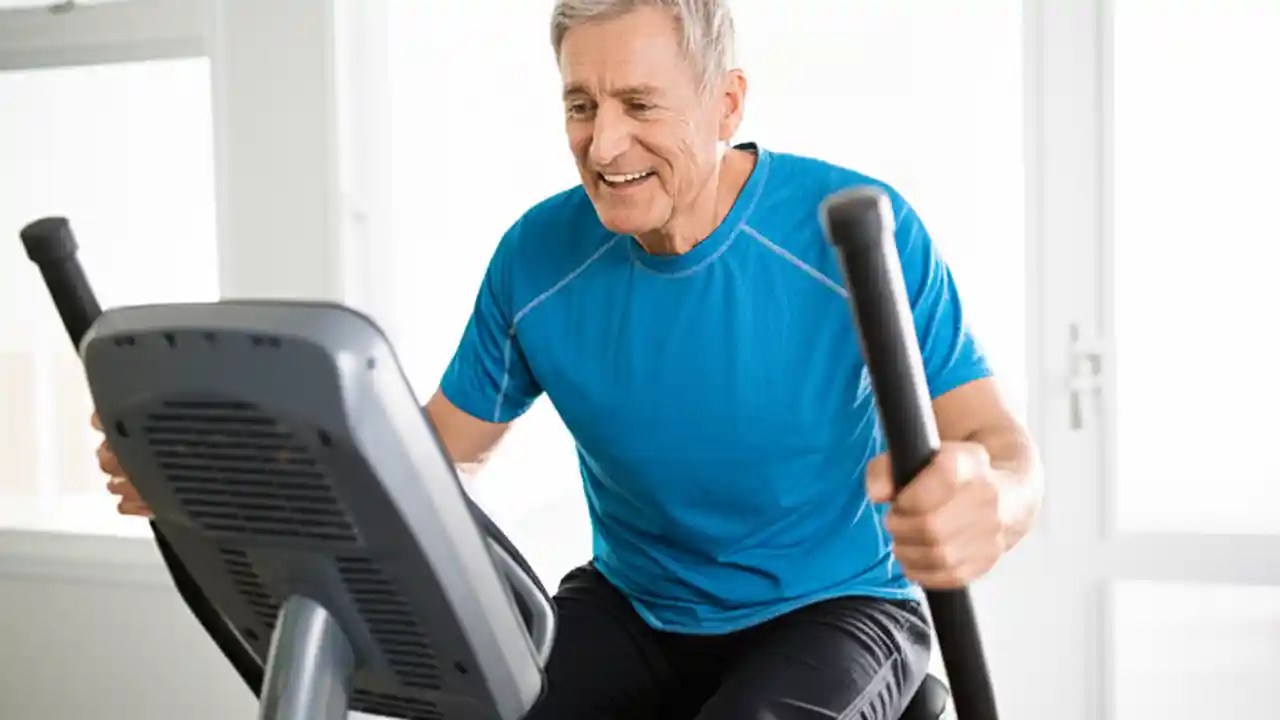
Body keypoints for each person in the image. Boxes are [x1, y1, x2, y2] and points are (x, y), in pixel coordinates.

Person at [95, 1, 1044, 717]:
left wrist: (989, 500)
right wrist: (207, 477)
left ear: (727, 103)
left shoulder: (848, 231)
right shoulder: (540, 258)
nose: (604, 143)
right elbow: (418, 461)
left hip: (833, 608)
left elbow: (999, 444)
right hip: (636, 607)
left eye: (639, 103)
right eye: (581, 105)